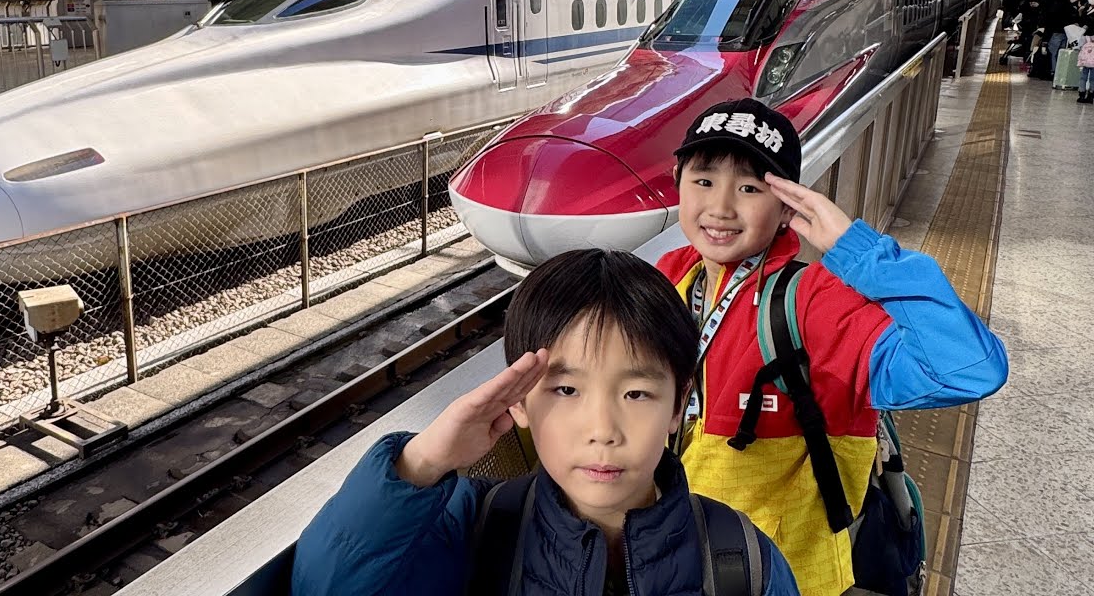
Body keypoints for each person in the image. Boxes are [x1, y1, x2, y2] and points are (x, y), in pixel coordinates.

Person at [291, 249, 801, 596]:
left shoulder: (744, 560)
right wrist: (421, 462)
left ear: (678, 406)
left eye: (636, 392)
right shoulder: (471, 528)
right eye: (565, 389)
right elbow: (325, 585)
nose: (602, 429)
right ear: (518, 402)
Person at [655, 99, 1008, 596]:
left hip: (782, 576)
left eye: (751, 188)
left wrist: (857, 251)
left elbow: (970, 368)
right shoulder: (667, 278)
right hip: (674, 557)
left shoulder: (814, 305)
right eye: (704, 180)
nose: (720, 207)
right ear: (677, 180)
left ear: (787, 208)